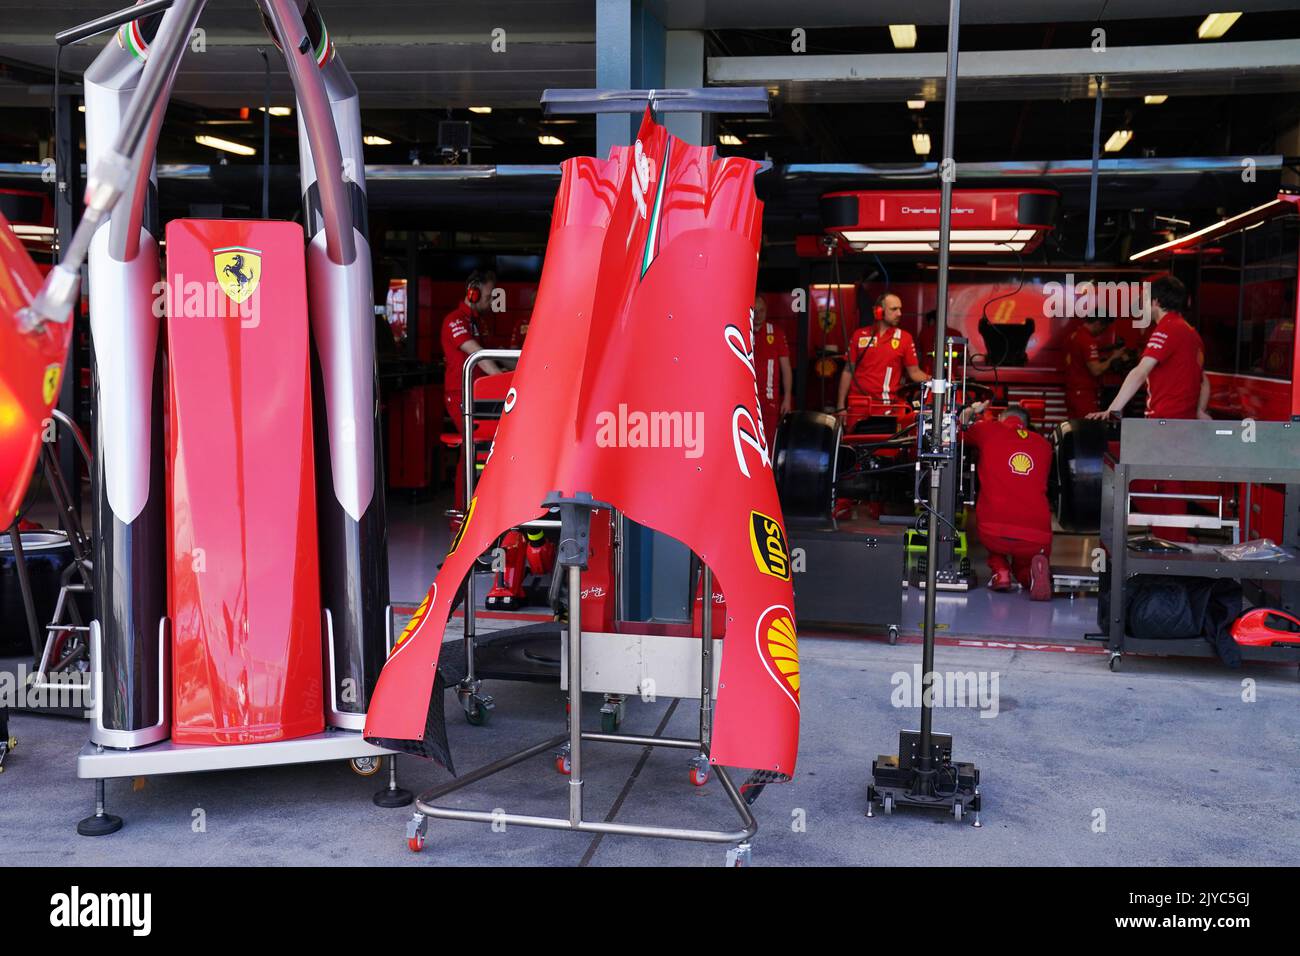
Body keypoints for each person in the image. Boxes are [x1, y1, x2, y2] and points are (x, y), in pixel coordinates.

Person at [1086, 274, 1209, 541]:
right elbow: (1204, 380)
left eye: (1143, 298)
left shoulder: (1168, 328)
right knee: (1166, 481)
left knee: (1136, 474)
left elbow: (1140, 372)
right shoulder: (1191, 333)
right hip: (1179, 423)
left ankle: (1173, 542)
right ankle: (1171, 538)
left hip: (1164, 423)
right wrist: (1199, 411)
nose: (1140, 303)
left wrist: (1113, 410)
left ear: (1156, 301)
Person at [960, 401, 1054, 600]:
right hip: (1036, 534)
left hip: (994, 530)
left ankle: (1000, 571)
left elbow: (958, 433)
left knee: (997, 545)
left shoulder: (988, 430)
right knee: (1024, 558)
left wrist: (970, 411)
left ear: (1002, 418)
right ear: (1027, 425)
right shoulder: (1044, 445)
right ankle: (1029, 575)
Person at [835, 292, 928, 421]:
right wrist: (840, 406)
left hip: (889, 408)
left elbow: (915, 373)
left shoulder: (905, 338)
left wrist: (935, 381)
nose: (899, 313)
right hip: (858, 407)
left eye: (900, 309)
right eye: (894, 309)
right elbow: (847, 370)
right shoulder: (859, 335)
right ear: (879, 311)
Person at [441, 270, 506, 434]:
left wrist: (521, 367)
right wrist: (502, 379)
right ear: (473, 292)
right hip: (461, 396)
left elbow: (497, 353)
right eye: (489, 295)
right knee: (472, 447)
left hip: (481, 394)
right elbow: (478, 355)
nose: (492, 300)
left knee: (487, 443)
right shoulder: (454, 320)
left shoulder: (480, 323)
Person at [1063, 312, 1130, 419]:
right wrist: (1114, 357)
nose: (1102, 332)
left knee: (1076, 430)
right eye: (1104, 328)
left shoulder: (1073, 335)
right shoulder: (1087, 340)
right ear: (1098, 323)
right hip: (1084, 393)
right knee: (1090, 428)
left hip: (1072, 391)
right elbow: (1096, 370)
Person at [753, 293, 793, 449]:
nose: (758, 315)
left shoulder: (776, 333)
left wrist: (787, 397)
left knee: (768, 441)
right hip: (743, 398)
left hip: (769, 398)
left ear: (766, 310)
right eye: (754, 311)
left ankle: (767, 472)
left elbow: (786, 368)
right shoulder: (741, 331)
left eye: (761, 311)